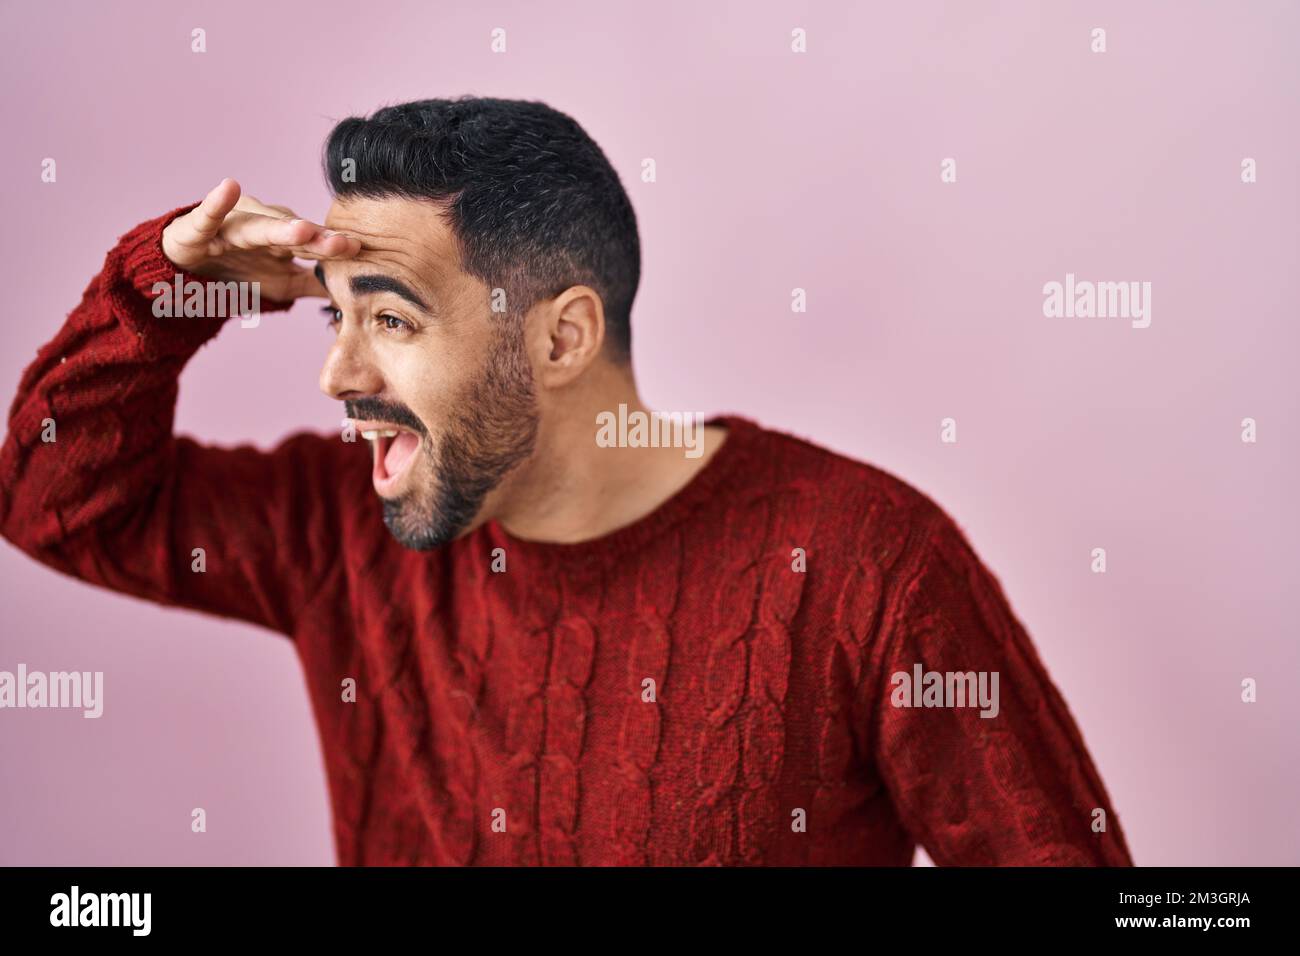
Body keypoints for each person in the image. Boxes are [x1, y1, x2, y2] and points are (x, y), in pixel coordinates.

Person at [0, 96, 1133, 866]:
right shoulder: (336, 529)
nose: (334, 371)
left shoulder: (863, 563)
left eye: (389, 318)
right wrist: (164, 289)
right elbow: (55, 503)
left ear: (558, 338)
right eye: (336, 315)